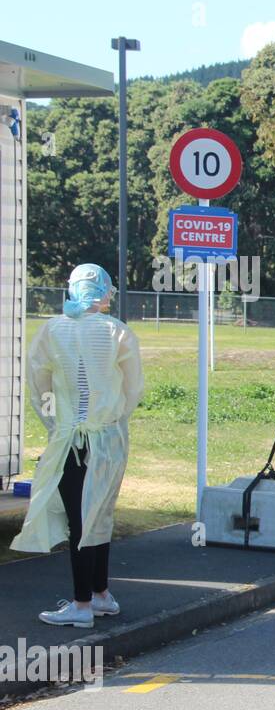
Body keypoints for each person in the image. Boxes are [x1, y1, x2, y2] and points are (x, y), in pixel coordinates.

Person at [11, 264, 144, 627]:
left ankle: (82, 604)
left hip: (71, 439)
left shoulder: (53, 330)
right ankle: (100, 594)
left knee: (78, 520)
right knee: (99, 514)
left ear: (71, 290)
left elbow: (40, 386)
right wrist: (113, 419)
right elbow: (133, 390)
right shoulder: (118, 332)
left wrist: (57, 424)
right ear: (104, 293)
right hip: (110, 439)